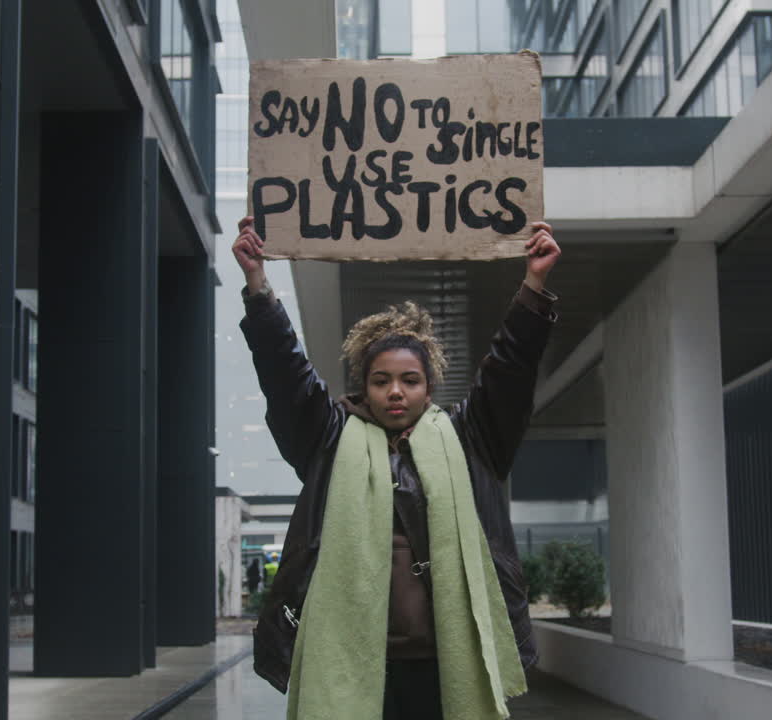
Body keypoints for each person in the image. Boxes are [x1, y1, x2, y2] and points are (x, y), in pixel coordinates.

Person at [234, 215, 560, 720]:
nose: (394, 391)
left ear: (429, 388)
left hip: (444, 663)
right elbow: (285, 372)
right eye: (381, 379)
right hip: (348, 659)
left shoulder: (470, 440)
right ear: (363, 385)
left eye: (409, 379)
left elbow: (509, 371)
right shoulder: (328, 438)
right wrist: (258, 286)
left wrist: (534, 286)